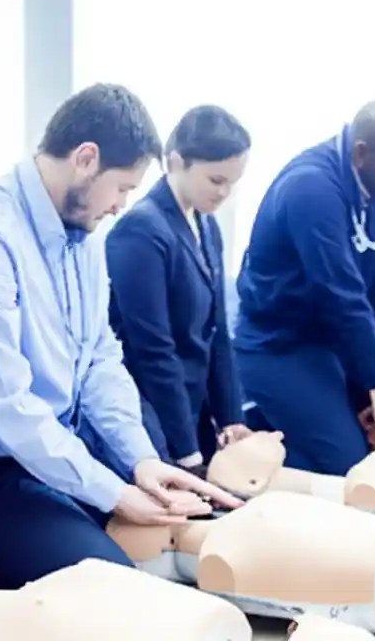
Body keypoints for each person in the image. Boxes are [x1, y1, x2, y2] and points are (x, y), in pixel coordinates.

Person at [0, 83, 240, 592]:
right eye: (123, 187)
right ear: (85, 159)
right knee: (118, 591)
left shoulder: (83, 234)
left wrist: (141, 461)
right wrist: (115, 493)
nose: (124, 204)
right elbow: (7, 406)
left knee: (182, 545)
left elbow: (101, 359)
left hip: (54, 454)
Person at [233, 98, 375, 476]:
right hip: (277, 346)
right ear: (362, 154)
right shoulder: (311, 189)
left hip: (326, 340)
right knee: (346, 464)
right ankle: (247, 464)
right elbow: (342, 298)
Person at [105, 105, 252, 474]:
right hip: (153, 413)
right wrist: (187, 453)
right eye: (216, 180)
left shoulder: (207, 225)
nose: (224, 193)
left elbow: (218, 332)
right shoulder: (140, 231)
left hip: (195, 407)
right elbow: (153, 350)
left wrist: (232, 419)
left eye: (232, 183)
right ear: (176, 162)